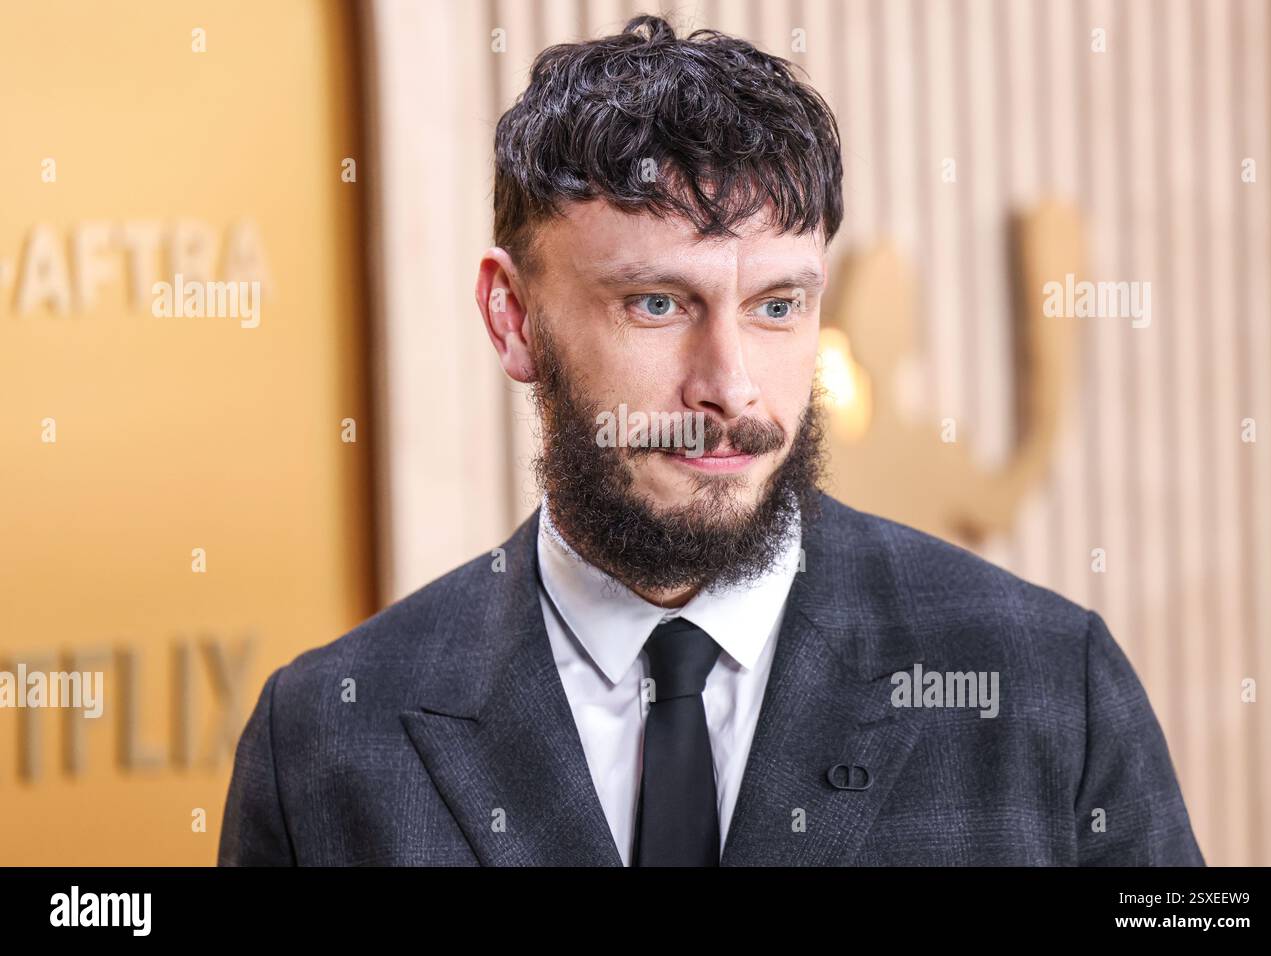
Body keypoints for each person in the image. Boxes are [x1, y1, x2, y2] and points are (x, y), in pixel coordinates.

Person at [218, 14, 1203, 866]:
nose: (729, 385)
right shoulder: (326, 738)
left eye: (777, 305)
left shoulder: (1043, 683)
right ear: (512, 317)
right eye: (656, 303)